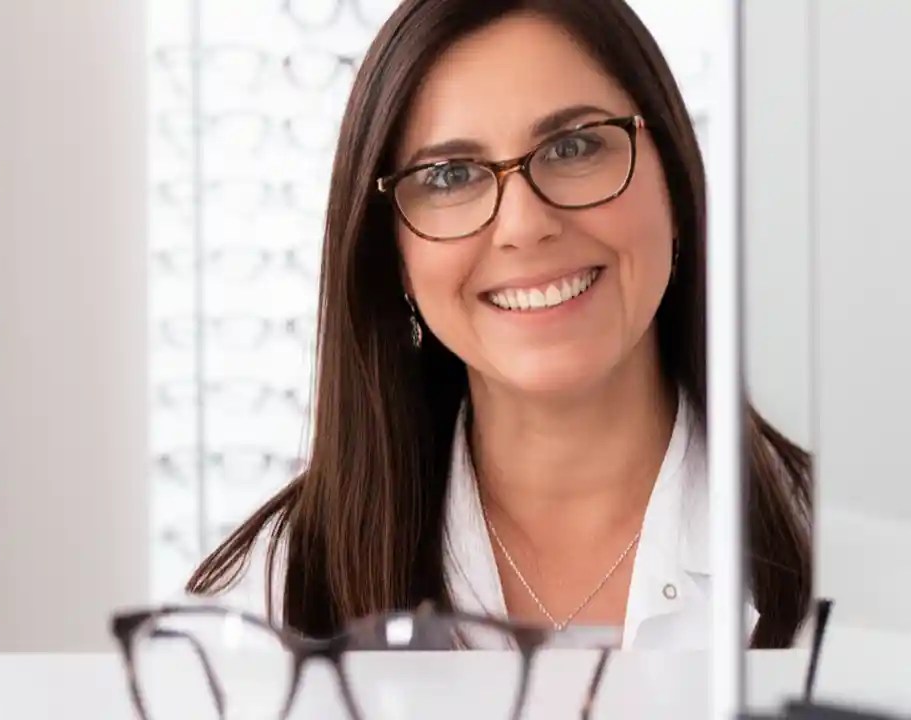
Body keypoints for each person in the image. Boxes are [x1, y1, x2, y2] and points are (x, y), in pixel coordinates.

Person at [186, 0, 812, 649]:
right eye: (450, 175)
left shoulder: (851, 563)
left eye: (574, 146)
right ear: (393, 254)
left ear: (674, 183)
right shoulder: (268, 600)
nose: (523, 225)